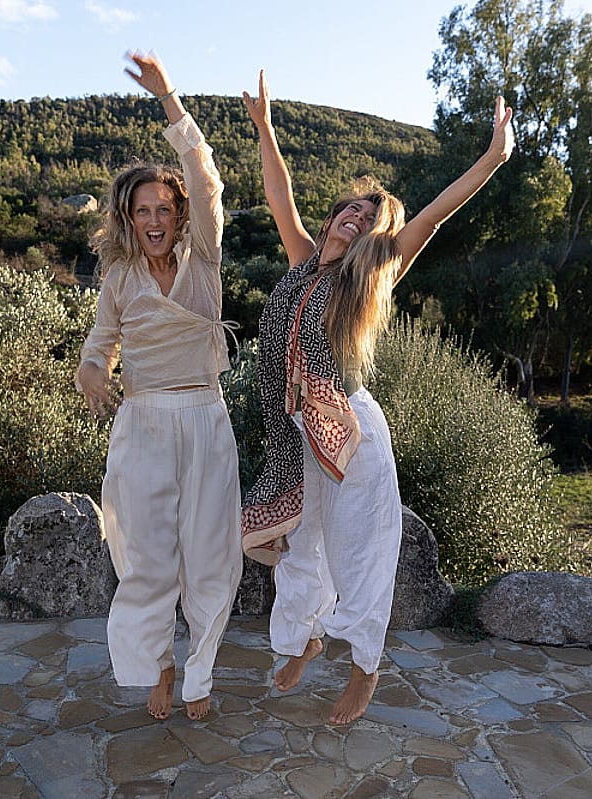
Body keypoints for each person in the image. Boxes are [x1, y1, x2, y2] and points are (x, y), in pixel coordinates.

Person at [240, 70, 514, 724]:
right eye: (348, 210)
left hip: (353, 429)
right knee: (301, 544)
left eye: (366, 218)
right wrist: (266, 128)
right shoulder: (304, 260)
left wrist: (492, 157)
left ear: (371, 239)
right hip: (300, 428)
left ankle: (364, 665)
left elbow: (433, 214)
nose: (354, 218)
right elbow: (278, 192)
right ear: (333, 219)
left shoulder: (372, 277)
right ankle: (304, 638)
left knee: (360, 545)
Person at [77, 51, 241, 722]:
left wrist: (169, 96)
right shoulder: (119, 277)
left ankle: (199, 672)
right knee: (144, 556)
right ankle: (160, 665)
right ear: (128, 217)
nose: (155, 218)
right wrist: (92, 371)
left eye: (165, 208)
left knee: (208, 557)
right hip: (142, 421)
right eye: (143, 209)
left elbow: (205, 178)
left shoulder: (204, 259)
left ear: (179, 216)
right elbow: (101, 344)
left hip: (203, 415)